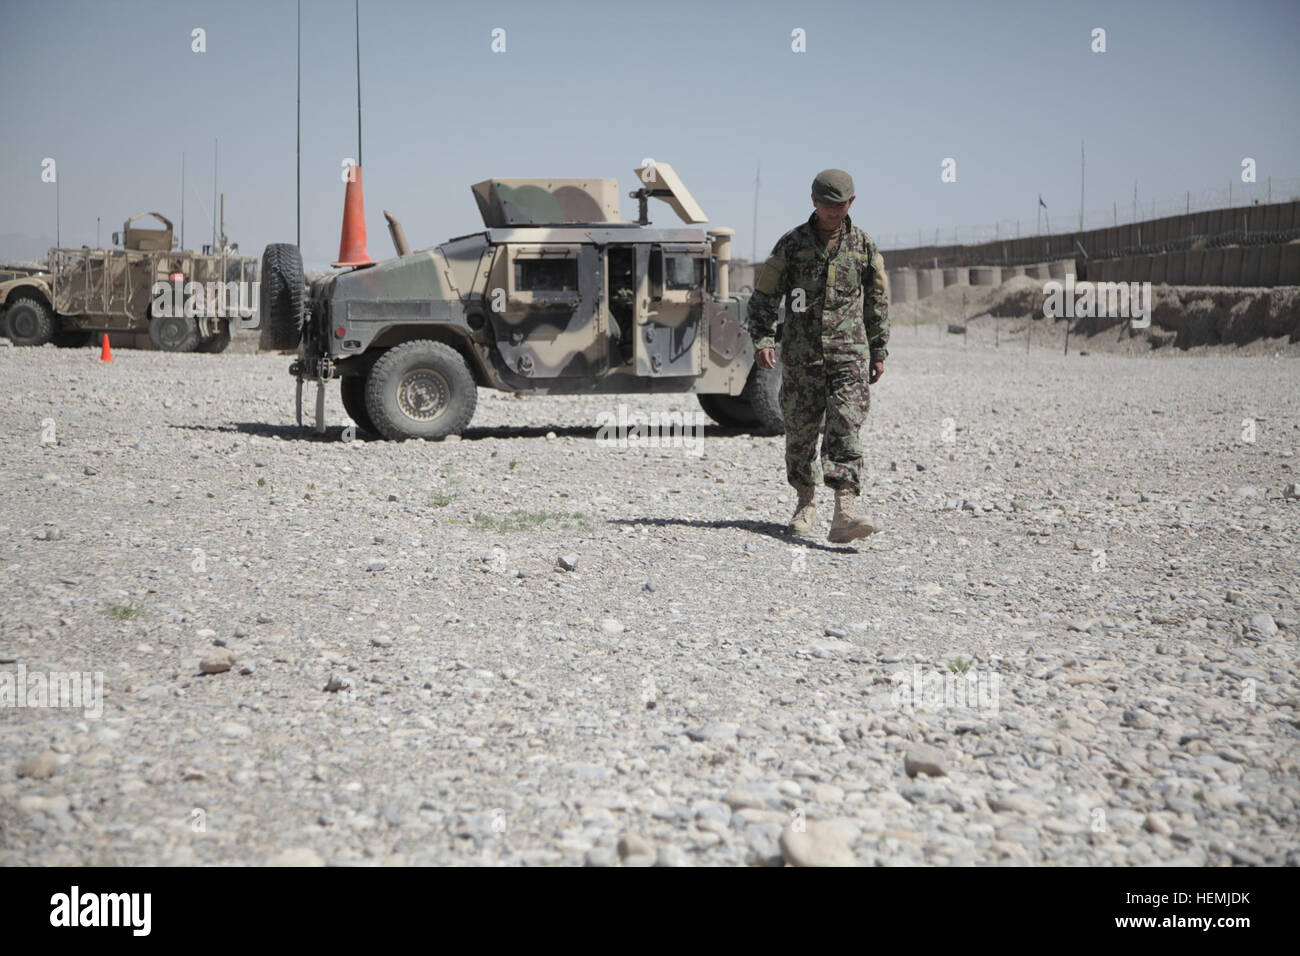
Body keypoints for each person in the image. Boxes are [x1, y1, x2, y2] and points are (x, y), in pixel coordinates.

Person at [747, 168, 889, 543]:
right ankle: (805, 501)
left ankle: (845, 509)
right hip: (801, 357)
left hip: (848, 356)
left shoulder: (863, 246)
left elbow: (876, 300)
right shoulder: (791, 245)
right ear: (813, 201)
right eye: (826, 205)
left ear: (851, 203)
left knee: (845, 424)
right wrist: (763, 340)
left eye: (839, 205)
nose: (832, 212)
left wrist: (878, 350)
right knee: (800, 433)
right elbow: (764, 297)